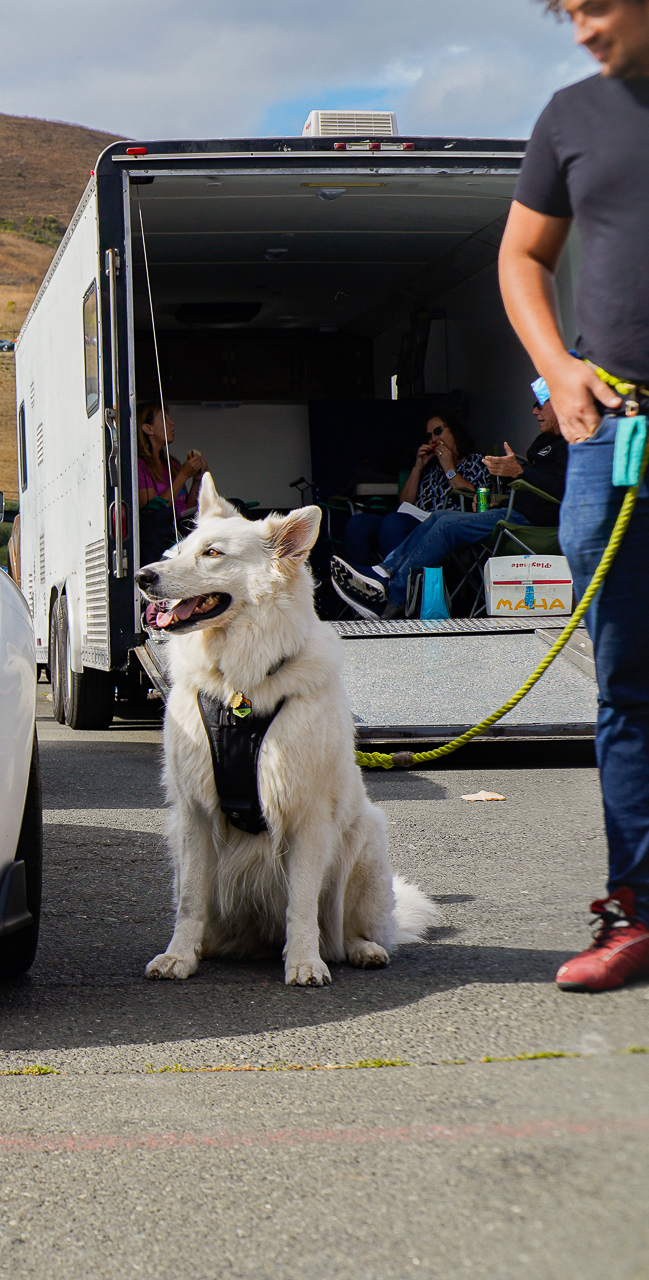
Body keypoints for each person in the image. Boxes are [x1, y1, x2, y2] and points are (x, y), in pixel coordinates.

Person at [499, 0, 649, 992]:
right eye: (569, 10)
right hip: (617, 433)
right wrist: (559, 371)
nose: (583, 25)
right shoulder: (568, 117)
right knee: (629, 686)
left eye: (597, 3)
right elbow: (521, 258)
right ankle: (638, 911)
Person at [331, 383, 567, 616]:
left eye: (539, 404)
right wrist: (501, 502)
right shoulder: (542, 443)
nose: (534, 411)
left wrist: (519, 471)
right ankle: (382, 573)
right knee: (439, 516)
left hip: (538, 523)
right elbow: (528, 491)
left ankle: (389, 599)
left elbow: (563, 487)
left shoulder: (574, 443)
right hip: (515, 512)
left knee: (444, 525)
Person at [340, 410, 492, 572]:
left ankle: (395, 587)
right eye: (429, 436)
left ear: (454, 431)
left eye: (438, 431)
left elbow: (472, 498)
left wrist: (449, 466)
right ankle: (361, 585)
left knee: (393, 523)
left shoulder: (476, 461)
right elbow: (405, 502)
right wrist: (418, 466)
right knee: (358, 523)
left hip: (444, 527)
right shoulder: (432, 466)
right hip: (416, 520)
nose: (434, 439)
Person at [136, 402, 206, 566]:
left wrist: (196, 480)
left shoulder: (172, 463)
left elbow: (186, 505)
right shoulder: (140, 466)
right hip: (164, 540)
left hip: (184, 532)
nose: (171, 422)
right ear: (148, 429)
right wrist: (183, 475)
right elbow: (152, 510)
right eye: (164, 418)